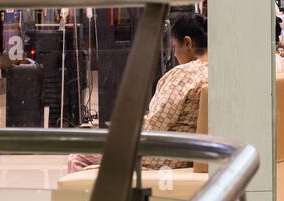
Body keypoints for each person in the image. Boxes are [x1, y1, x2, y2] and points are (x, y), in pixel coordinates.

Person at [65, 14, 210, 173]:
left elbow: (156, 125)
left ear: (188, 43)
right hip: (187, 153)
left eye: (175, 46)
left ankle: (101, 197)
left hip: (162, 155)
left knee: (78, 157)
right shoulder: (214, 73)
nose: (174, 54)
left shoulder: (183, 75)